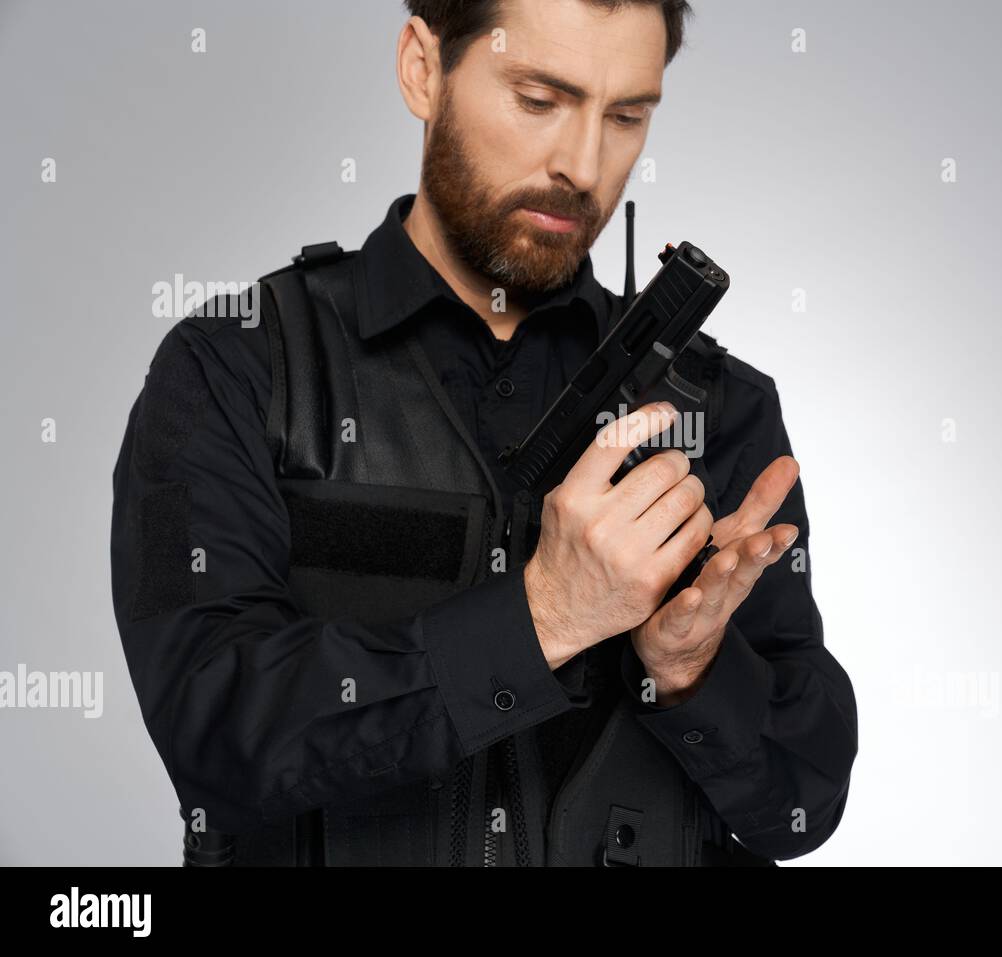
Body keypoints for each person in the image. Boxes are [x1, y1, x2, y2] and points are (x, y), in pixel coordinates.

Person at [110, 0, 857, 866]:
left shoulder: (719, 408)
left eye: (625, 117)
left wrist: (691, 672)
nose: (583, 166)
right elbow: (213, 737)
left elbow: (802, 808)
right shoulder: (230, 372)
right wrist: (543, 618)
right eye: (540, 100)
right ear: (423, 68)